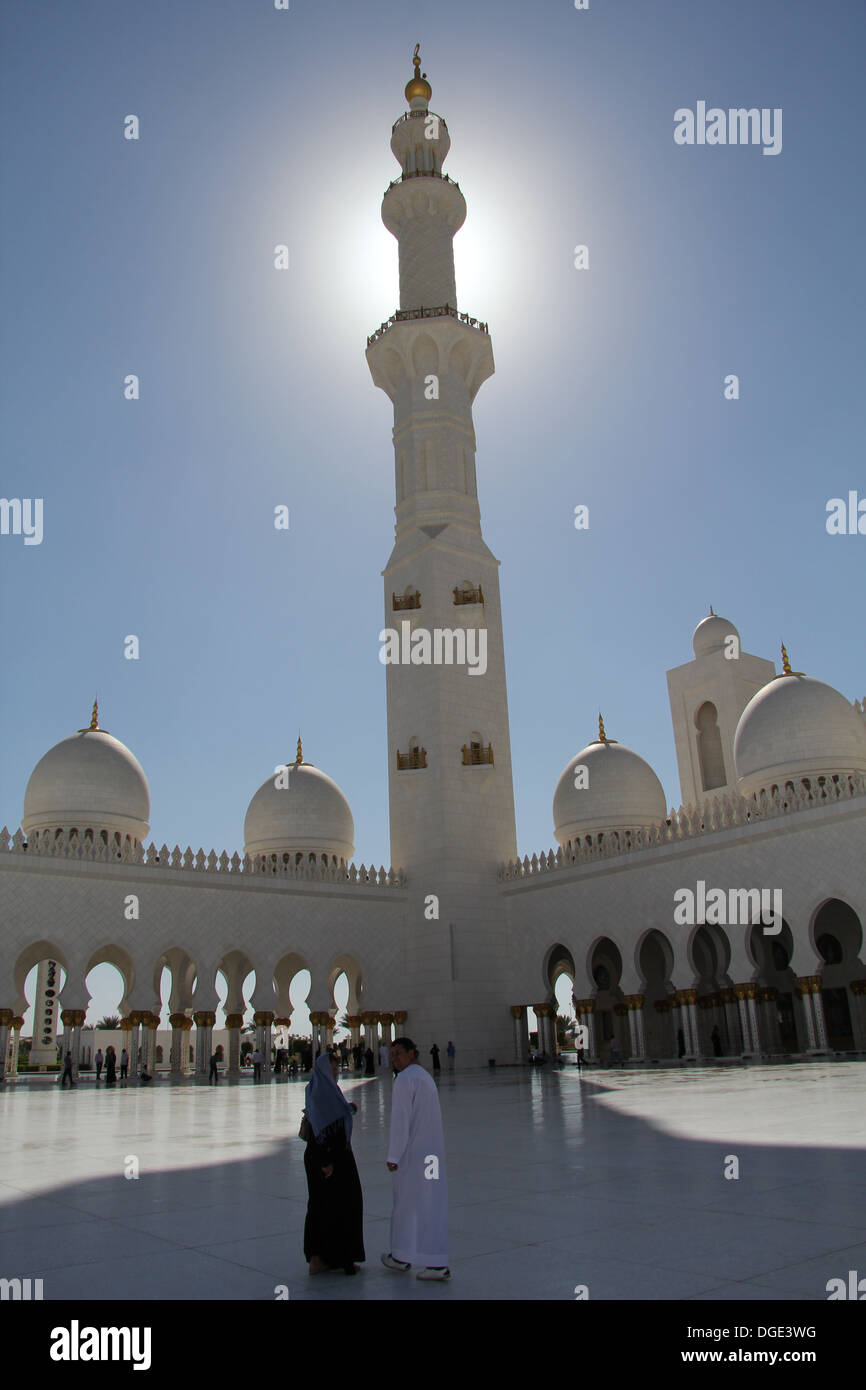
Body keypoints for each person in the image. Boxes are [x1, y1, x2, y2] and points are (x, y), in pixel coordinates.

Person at [381, 1037, 450, 1281]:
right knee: (431, 1204)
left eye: (399, 1053)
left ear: (412, 1053)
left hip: (413, 1156)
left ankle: (402, 1256)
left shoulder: (404, 1080)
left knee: (405, 1204)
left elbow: (400, 1123)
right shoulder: (424, 1077)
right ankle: (435, 1261)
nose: (394, 1058)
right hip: (432, 1154)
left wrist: (393, 1156)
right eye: (392, 1054)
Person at [302, 1053, 365, 1276]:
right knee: (332, 1207)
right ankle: (327, 1259)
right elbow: (323, 1128)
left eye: (338, 1070)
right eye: (332, 1071)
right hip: (327, 1159)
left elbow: (332, 1115)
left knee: (330, 1207)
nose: (336, 1074)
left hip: (332, 1156)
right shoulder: (322, 1092)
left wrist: (349, 1109)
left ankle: (328, 1258)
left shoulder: (321, 1089)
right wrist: (326, 1162)